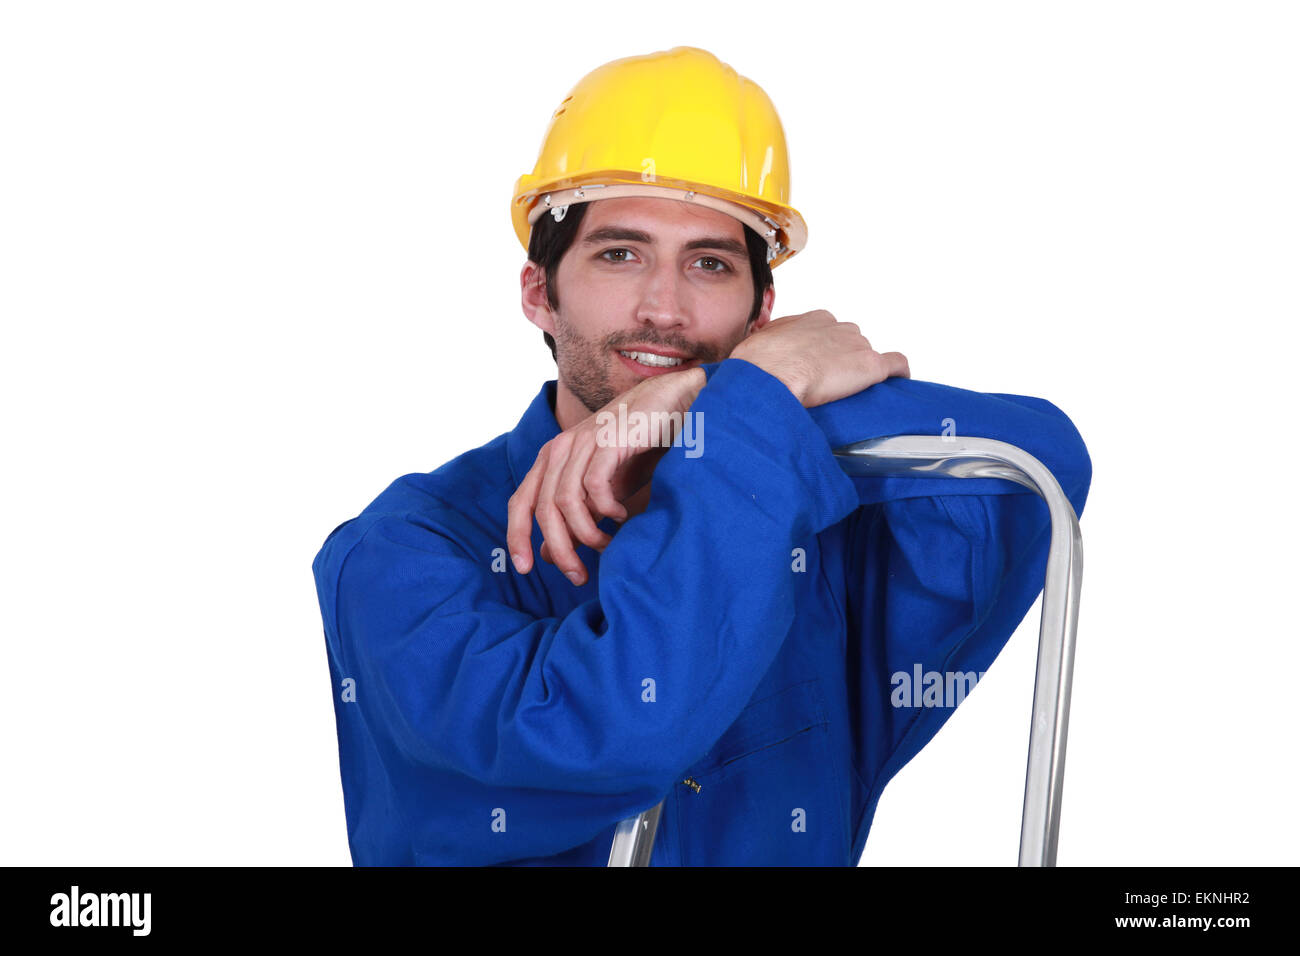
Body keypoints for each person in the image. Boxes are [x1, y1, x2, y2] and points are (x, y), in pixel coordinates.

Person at [311, 46, 1092, 866]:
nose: (664, 308)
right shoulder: (401, 558)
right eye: (619, 253)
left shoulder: (822, 534)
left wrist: (712, 399)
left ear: (762, 315)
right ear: (540, 291)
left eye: (710, 264)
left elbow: (1039, 467)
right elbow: (611, 734)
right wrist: (748, 399)